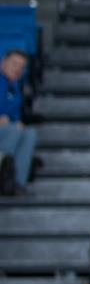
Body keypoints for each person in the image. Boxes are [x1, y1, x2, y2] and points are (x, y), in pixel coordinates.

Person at [0, 46, 37, 195]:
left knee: (29, 133)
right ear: (3, 62)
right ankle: (3, 176)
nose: (17, 69)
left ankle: (16, 183)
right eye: (14, 64)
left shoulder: (15, 91)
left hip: (6, 131)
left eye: (21, 67)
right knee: (13, 131)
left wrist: (17, 123)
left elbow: (14, 118)